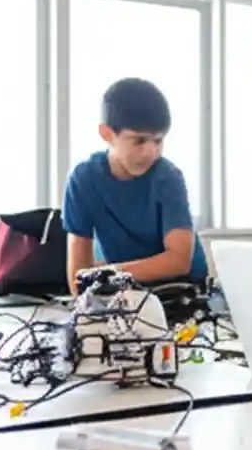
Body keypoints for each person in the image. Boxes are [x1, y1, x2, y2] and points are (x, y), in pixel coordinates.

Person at [62, 77, 208, 295]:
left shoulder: (168, 178)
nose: (151, 152)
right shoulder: (83, 179)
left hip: (182, 289)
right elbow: (79, 277)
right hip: (124, 291)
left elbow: (178, 261)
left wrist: (109, 274)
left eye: (158, 141)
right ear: (107, 134)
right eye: (139, 140)